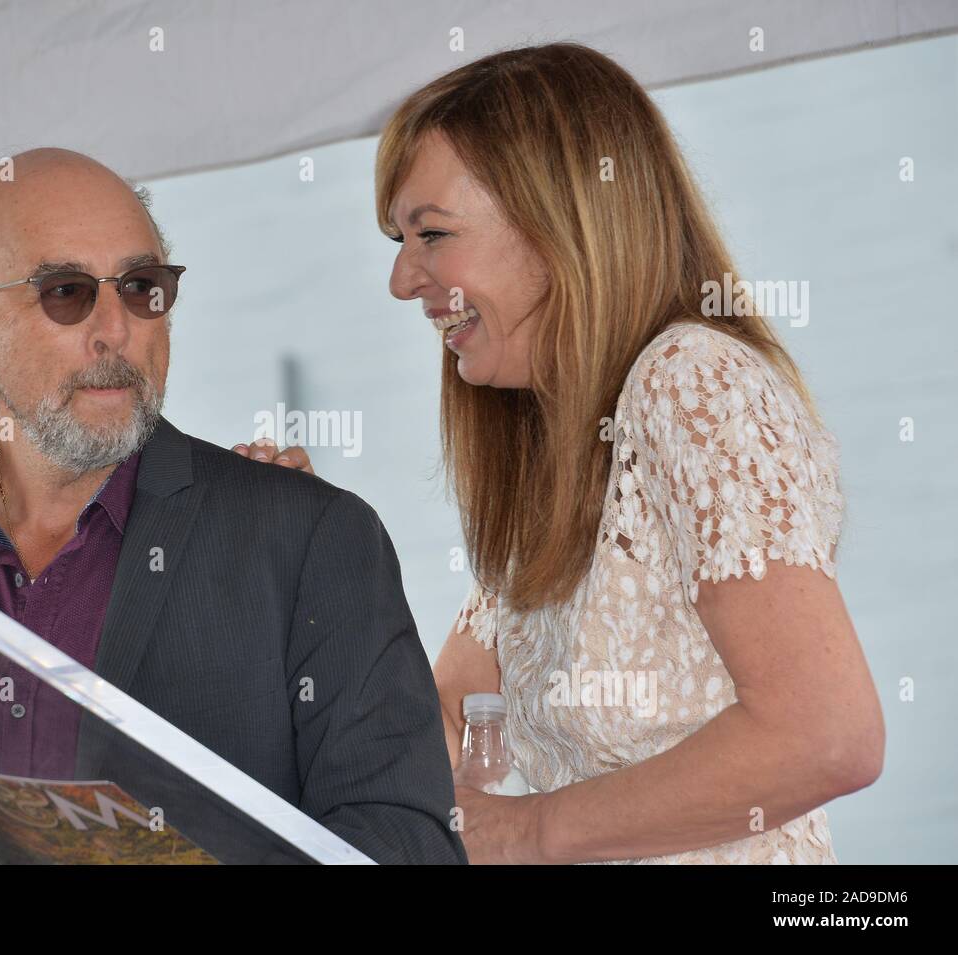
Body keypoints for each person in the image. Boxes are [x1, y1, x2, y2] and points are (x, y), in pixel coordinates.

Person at [238, 43, 884, 864]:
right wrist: (300, 561)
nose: (403, 280)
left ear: (559, 222)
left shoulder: (691, 381)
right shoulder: (559, 444)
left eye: (431, 234)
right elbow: (437, 729)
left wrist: (530, 831)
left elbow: (828, 734)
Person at [0, 147, 466, 865]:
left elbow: (407, 842)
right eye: (65, 291)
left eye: (141, 287)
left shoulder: (307, 539)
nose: (116, 328)